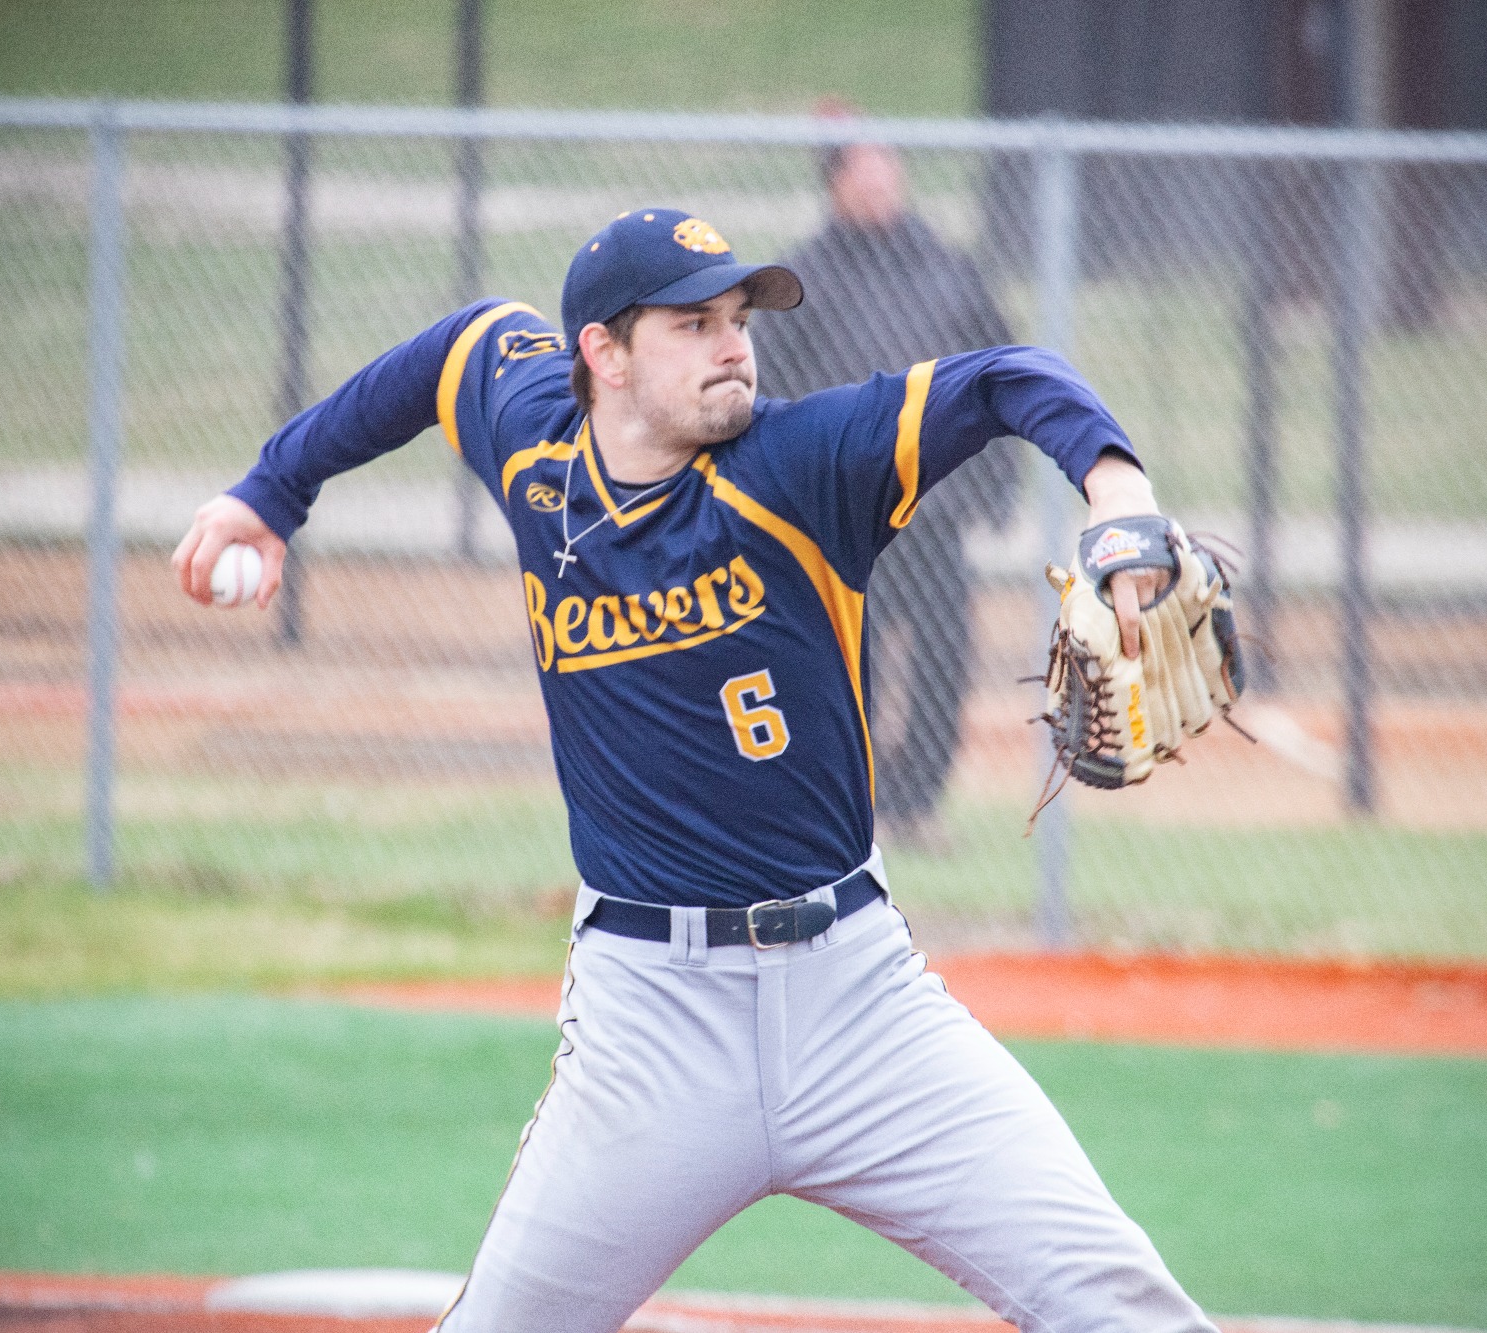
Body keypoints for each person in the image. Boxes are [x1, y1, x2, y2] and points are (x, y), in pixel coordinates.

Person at [173, 207, 1215, 1332]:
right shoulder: (531, 440)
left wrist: (1117, 497)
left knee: (1120, 1305)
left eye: (737, 317)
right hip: (648, 1026)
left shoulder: (805, 462)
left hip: (857, 1004)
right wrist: (271, 491)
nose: (733, 345)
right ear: (602, 355)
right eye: (693, 323)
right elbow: (448, 352)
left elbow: (1009, 377)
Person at [753, 117, 1019, 852]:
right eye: (862, 174)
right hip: (846, 514)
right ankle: (859, 810)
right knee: (847, 667)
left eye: (887, 170)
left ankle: (919, 806)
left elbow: (997, 376)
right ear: (835, 186)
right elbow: (769, 392)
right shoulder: (804, 276)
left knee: (942, 664)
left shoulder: (946, 266)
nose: (879, 185)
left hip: (935, 511)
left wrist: (999, 484)